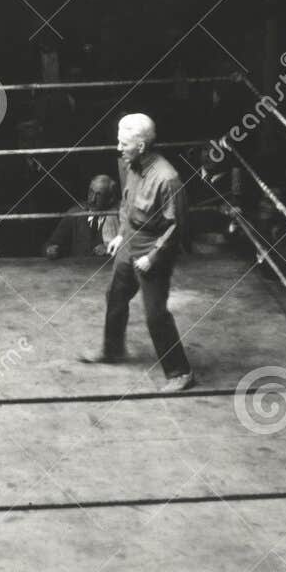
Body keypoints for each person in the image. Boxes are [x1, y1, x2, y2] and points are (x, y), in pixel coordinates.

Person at [80, 114, 194, 391]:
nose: (118, 147)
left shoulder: (168, 179)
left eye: (124, 143)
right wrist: (120, 234)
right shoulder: (131, 165)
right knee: (115, 295)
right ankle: (113, 350)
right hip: (130, 239)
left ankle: (180, 372)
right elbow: (126, 202)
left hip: (152, 246)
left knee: (155, 313)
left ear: (141, 146)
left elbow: (176, 228)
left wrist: (152, 257)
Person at [45, 174, 120, 258]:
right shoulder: (74, 213)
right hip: (76, 269)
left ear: (110, 199)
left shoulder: (118, 217)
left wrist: (109, 249)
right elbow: (52, 243)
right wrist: (50, 250)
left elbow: (129, 250)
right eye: (91, 192)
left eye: (99, 195)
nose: (92, 199)